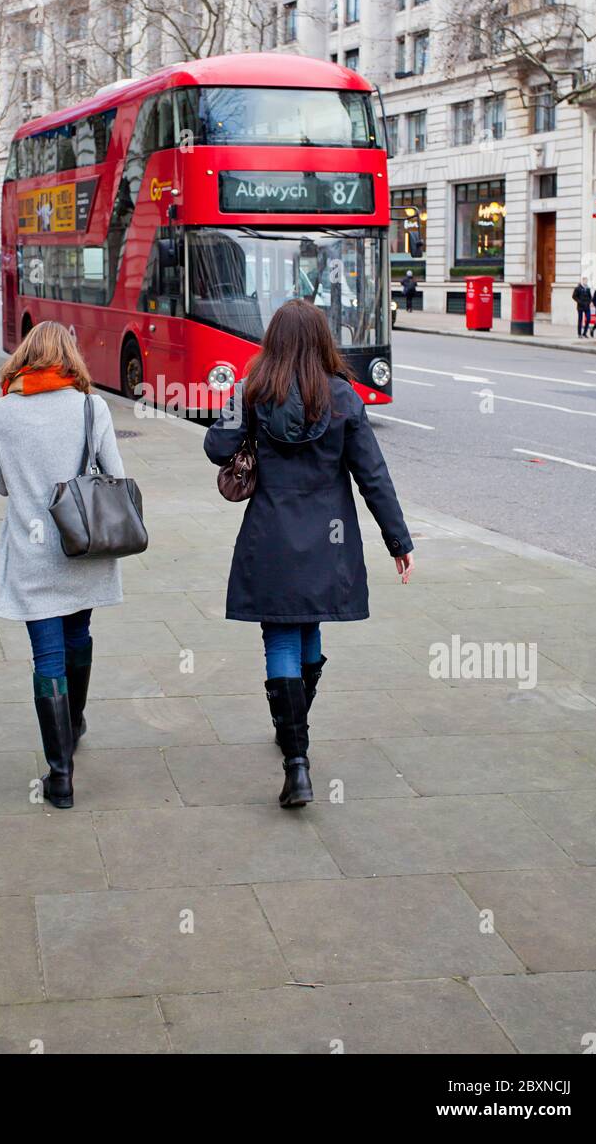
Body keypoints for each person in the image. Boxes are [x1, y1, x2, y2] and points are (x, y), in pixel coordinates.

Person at [204, 300, 414, 810]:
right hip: (329, 537)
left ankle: (295, 761)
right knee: (310, 626)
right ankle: (295, 731)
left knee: (279, 633)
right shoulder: (343, 396)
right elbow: (372, 475)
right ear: (323, 340)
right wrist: (399, 541)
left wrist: (242, 406)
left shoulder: (254, 391)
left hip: (270, 534)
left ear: (273, 341)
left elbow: (216, 446)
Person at [0, 321, 125, 810]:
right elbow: (116, 476)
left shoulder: (1, 411)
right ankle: (76, 723)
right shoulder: (92, 406)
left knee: (47, 657)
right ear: (70, 358)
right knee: (78, 635)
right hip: (83, 547)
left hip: (32, 552)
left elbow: (0, 484)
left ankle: (60, 775)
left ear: (25, 357)